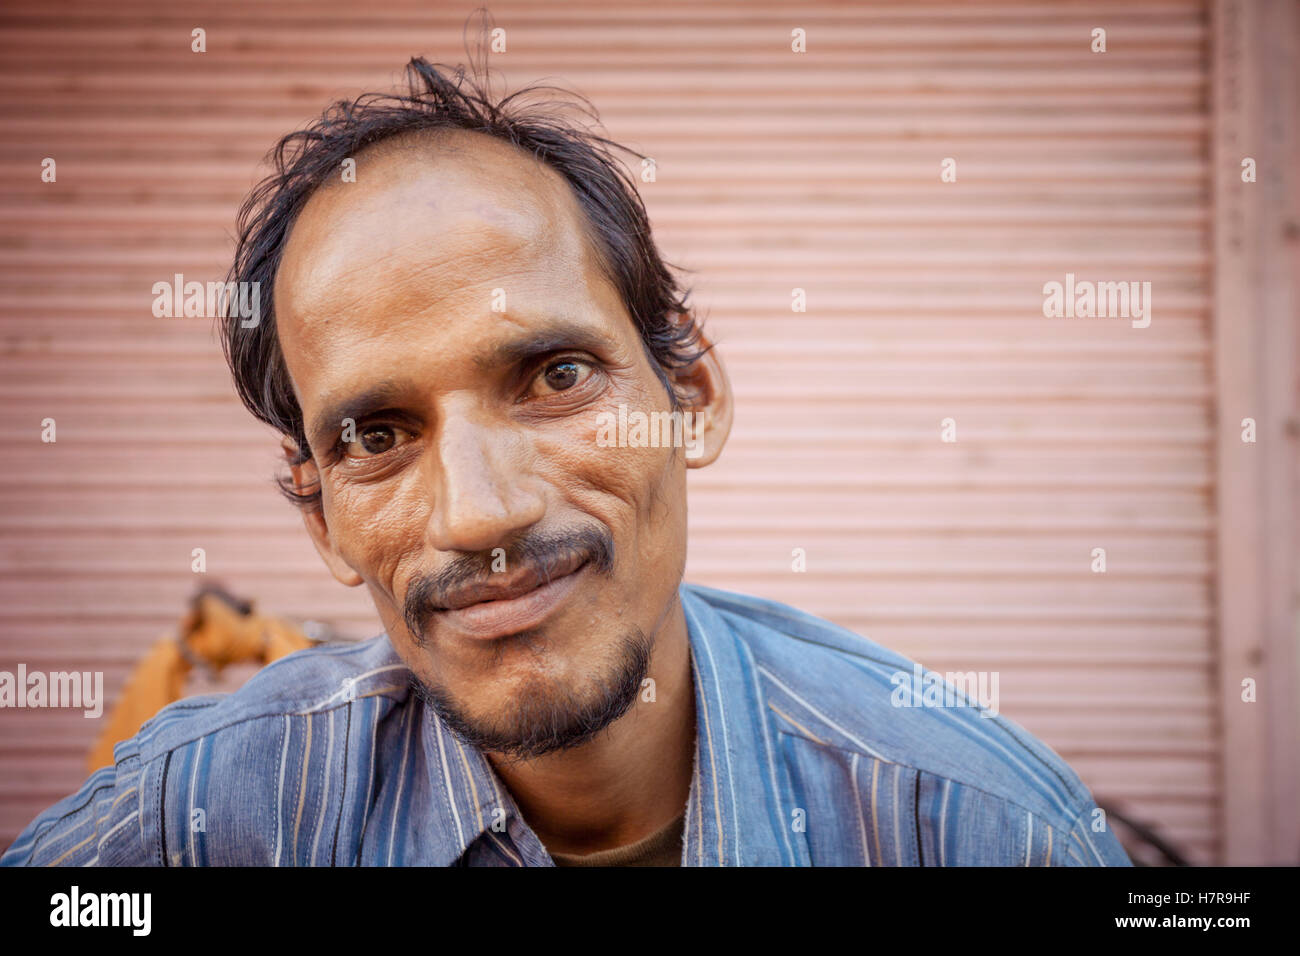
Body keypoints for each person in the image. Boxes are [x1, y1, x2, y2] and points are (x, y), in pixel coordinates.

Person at [1, 58, 1130, 867]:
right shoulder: (199, 814)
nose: (481, 513)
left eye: (551, 377)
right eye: (376, 436)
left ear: (690, 395)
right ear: (323, 523)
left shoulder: (976, 823)